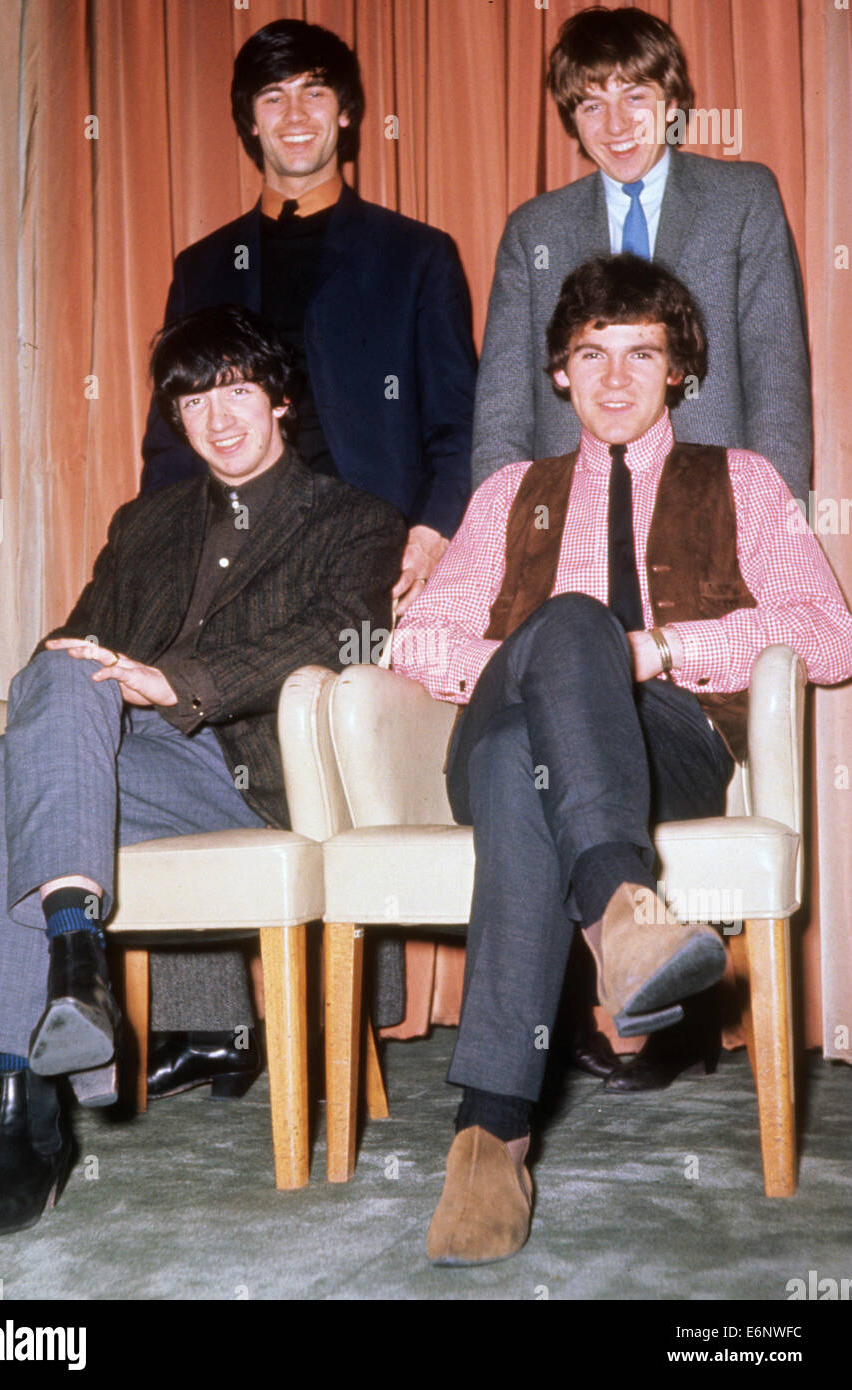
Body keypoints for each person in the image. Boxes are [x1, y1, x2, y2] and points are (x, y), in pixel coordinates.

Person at [392, 255, 852, 1266]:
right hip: (501, 715)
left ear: (676, 369)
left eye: (639, 354)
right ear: (557, 370)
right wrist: (568, 655)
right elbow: (417, 644)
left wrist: (662, 649)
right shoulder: (511, 491)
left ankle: (487, 1132)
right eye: (589, 354)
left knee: (524, 760)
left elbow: (829, 634)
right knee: (563, 629)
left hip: (663, 742)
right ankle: (619, 910)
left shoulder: (741, 480)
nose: (612, 378)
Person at [0, 304, 405, 1240]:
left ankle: (30, 1106)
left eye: (237, 391)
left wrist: (173, 682)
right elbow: (68, 639)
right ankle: (68, 980)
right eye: (194, 402)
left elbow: (337, 636)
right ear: (177, 421)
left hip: (243, 772)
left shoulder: (353, 519)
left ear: (278, 400)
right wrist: (87, 672)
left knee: (3, 771)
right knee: (31, 716)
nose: (219, 418)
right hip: (118, 766)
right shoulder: (142, 523)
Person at [141, 18, 476, 614]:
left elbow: (458, 425)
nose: (294, 116)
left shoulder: (417, 255)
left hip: (371, 549)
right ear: (250, 121)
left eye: (313, 92)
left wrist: (428, 539)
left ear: (345, 112)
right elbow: (170, 439)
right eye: (273, 97)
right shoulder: (201, 266)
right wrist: (162, 558)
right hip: (229, 553)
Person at [471, 5, 812, 502]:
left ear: (671, 104)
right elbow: (503, 407)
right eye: (592, 106)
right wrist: (501, 532)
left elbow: (776, 381)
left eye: (636, 98)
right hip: (569, 510)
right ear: (573, 119)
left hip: (711, 500)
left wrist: (774, 525)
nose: (616, 126)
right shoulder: (533, 229)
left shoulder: (742, 200)